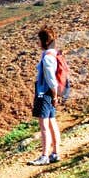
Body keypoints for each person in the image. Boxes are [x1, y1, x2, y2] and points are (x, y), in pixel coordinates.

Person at [29, 27, 61, 165]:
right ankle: (55, 153)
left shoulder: (47, 58)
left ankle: (44, 156)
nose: (37, 43)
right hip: (50, 93)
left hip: (45, 93)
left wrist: (54, 95)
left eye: (39, 40)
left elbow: (50, 78)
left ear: (45, 41)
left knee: (44, 125)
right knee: (52, 122)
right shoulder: (55, 54)